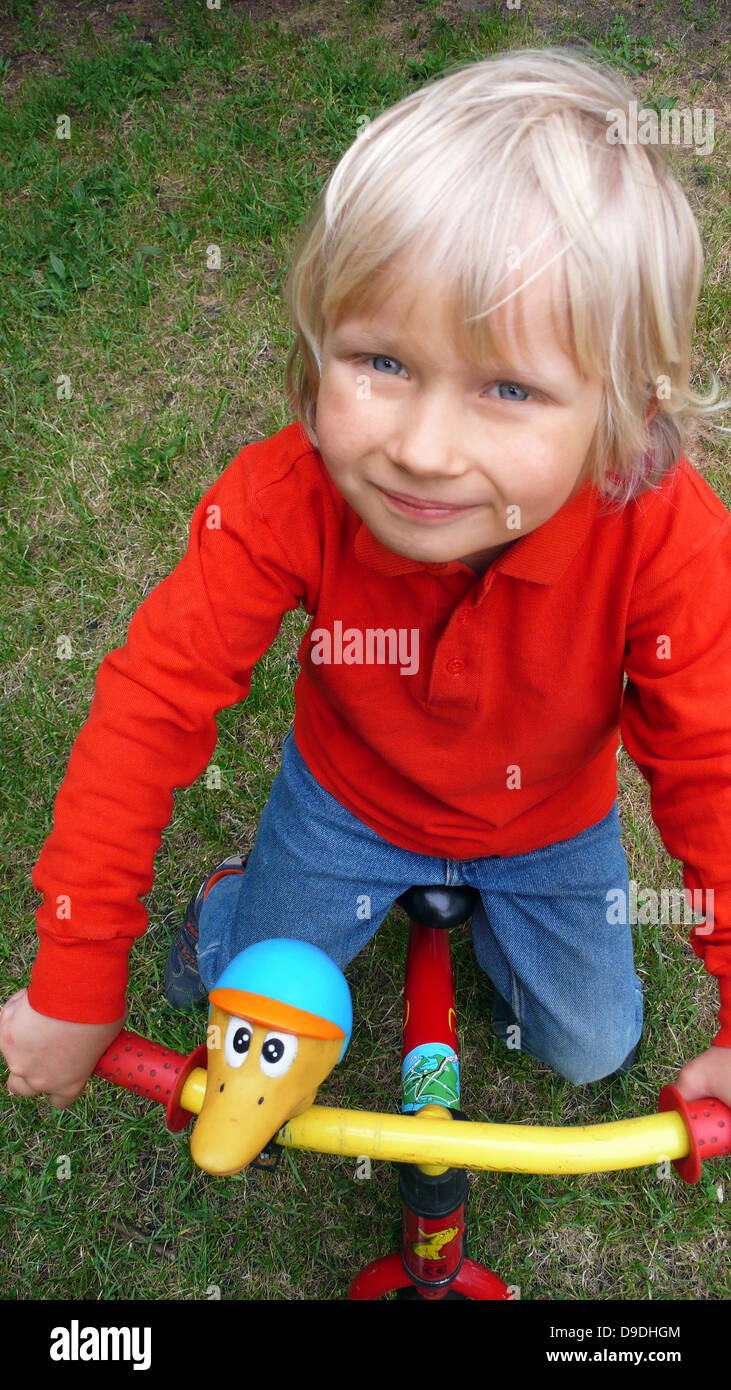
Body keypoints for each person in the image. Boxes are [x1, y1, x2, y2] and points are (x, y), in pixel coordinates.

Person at [2, 46, 730, 1113]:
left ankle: (490, 918)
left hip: (547, 828)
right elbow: (149, 704)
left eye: (509, 387)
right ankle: (230, 904)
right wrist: (73, 974)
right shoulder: (283, 497)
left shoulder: (663, 537)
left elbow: (711, 760)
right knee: (233, 994)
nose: (424, 449)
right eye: (381, 362)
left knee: (590, 1046)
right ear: (315, 347)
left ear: (622, 416)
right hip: (345, 801)